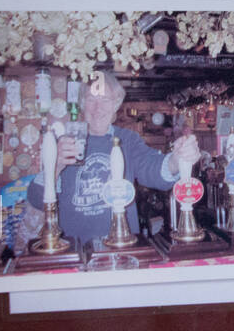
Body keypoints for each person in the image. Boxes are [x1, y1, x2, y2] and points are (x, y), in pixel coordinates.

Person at [27, 71, 199, 247]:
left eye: (105, 100)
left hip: (121, 246)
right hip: (74, 250)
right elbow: (36, 199)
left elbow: (153, 169)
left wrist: (177, 159)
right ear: (82, 104)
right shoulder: (64, 143)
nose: (98, 108)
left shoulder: (127, 140)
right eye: (91, 100)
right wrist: (56, 167)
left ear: (115, 105)